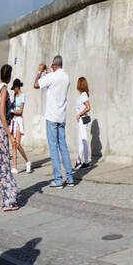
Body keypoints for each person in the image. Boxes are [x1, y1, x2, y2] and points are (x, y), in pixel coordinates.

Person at [34, 55, 74, 188]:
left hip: (51, 117)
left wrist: (40, 71)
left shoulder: (51, 77)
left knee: (53, 148)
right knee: (63, 146)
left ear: (55, 65)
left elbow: (36, 85)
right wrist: (49, 73)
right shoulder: (66, 77)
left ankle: (58, 179)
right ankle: (70, 178)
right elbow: (55, 80)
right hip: (62, 117)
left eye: (52, 65)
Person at [0, 65, 19, 211]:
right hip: (2, 129)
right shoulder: (4, 90)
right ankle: (8, 202)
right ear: (9, 76)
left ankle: (8, 199)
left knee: (3, 166)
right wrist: (10, 135)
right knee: (5, 167)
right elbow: (2, 115)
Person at [9, 79, 27, 173]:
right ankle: (14, 167)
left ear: (17, 87)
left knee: (18, 143)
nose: (14, 90)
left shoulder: (22, 96)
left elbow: (20, 111)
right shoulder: (15, 96)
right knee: (13, 143)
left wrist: (11, 111)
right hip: (13, 120)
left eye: (14, 88)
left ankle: (27, 161)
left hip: (19, 120)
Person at [74, 76, 92, 169]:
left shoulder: (84, 95)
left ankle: (86, 162)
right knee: (81, 141)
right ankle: (78, 161)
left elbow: (88, 107)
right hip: (80, 120)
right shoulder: (82, 95)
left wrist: (79, 114)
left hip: (82, 119)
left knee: (84, 140)